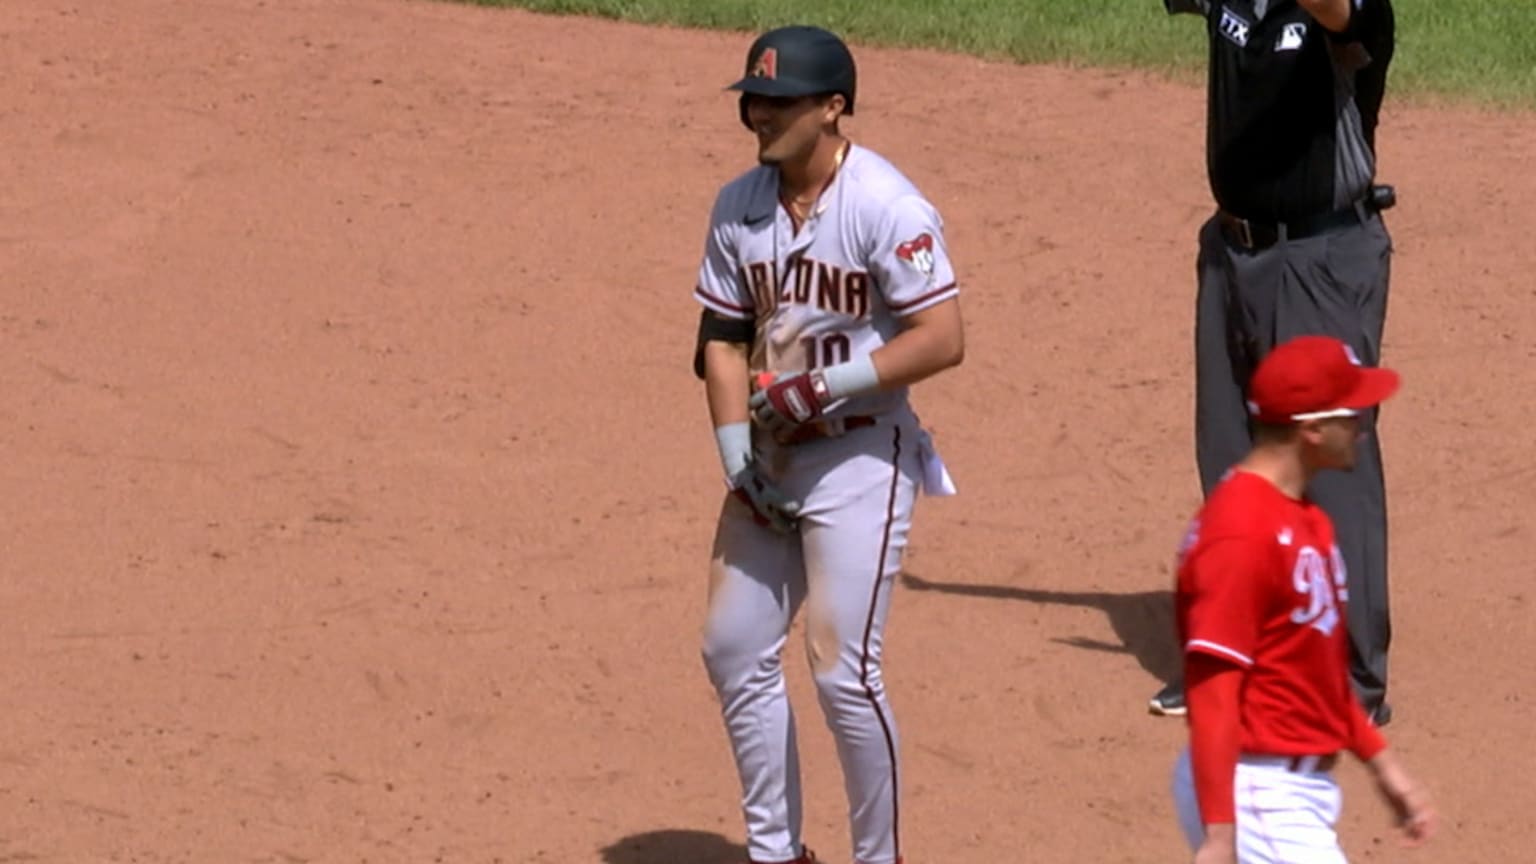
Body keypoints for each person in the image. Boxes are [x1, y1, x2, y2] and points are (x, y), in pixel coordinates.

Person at [689, 25, 965, 864]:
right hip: (771, 456)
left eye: (778, 101)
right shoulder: (738, 206)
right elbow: (723, 337)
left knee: (843, 673)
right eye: (753, 102)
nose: (760, 115)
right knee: (734, 647)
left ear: (833, 108)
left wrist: (829, 384)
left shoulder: (886, 205)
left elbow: (942, 335)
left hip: (858, 454)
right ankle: (776, 852)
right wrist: (735, 451)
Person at [1150, 0, 1400, 723]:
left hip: (1321, 257)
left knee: (1327, 465)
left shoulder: (1349, 11)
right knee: (1232, 458)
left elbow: (1338, 12)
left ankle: (1350, 681)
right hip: (1230, 254)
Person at [1170, 335, 1435, 862]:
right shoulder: (1240, 532)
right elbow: (1213, 689)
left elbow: (1315, 670)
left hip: (1290, 789)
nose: (1362, 424)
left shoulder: (1305, 516)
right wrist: (1221, 833)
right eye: (1350, 413)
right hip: (1255, 793)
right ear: (1311, 429)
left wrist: (1382, 764)